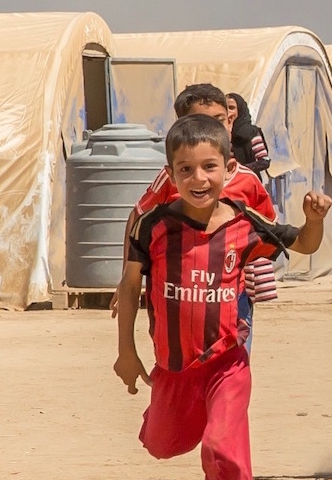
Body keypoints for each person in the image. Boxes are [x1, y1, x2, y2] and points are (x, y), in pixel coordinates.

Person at [113, 113, 332, 480]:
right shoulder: (151, 226)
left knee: (222, 450)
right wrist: (127, 351)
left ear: (229, 170)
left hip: (227, 363)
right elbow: (130, 287)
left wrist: (313, 220)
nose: (199, 178)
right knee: (161, 445)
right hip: (172, 370)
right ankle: (180, 419)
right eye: (186, 169)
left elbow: (305, 245)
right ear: (169, 175)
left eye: (209, 167)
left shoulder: (245, 223)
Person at [112, 84, 281, 337]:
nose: (212, 127)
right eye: (201, 120)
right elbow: (138, 216)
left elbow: (266, 227)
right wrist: (128, 276)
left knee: (234, 353)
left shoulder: (247, 180)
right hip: (179, 290)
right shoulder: (173, 179)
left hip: (231, 290)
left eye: (219, 119)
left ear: (231, 121)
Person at [227, 92, 271, 176]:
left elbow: (264, 161)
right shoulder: (219, 132)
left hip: (248, 181)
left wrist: (241, 169)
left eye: (231, 108)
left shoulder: (251, 133)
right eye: (225, 108)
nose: (228, 112)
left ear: (239, 110)